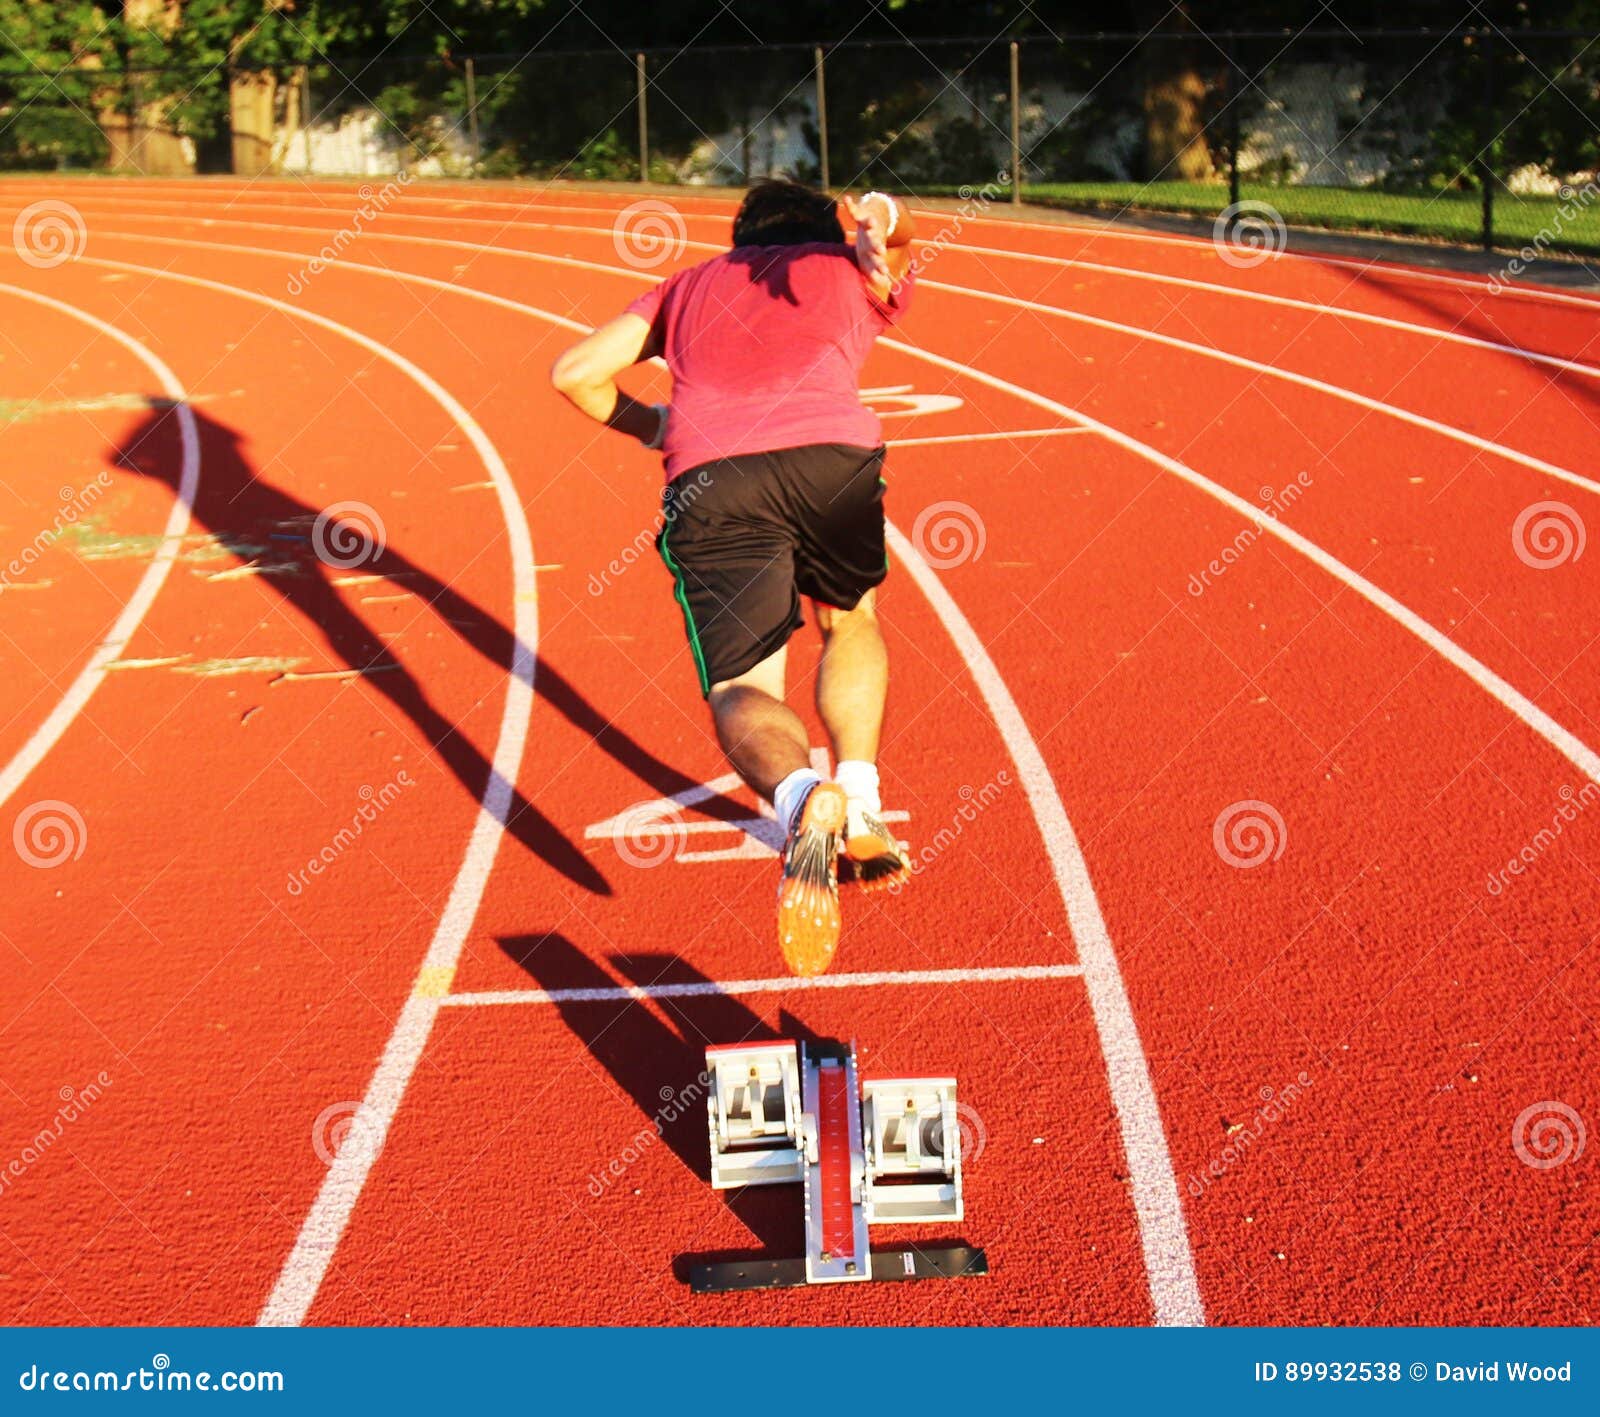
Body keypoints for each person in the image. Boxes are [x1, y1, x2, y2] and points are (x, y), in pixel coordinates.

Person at [551, 180, 916, 977]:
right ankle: (859, 794)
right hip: (834, 461)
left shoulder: (687, 287)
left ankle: (797, 798)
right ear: (822, 227)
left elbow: (574, 370)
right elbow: (893, 236)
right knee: (848, 621)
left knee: (741, 685)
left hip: (714, 479)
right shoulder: (845, 264)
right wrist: (880, 219)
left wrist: (653, 425)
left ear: (738, 237)